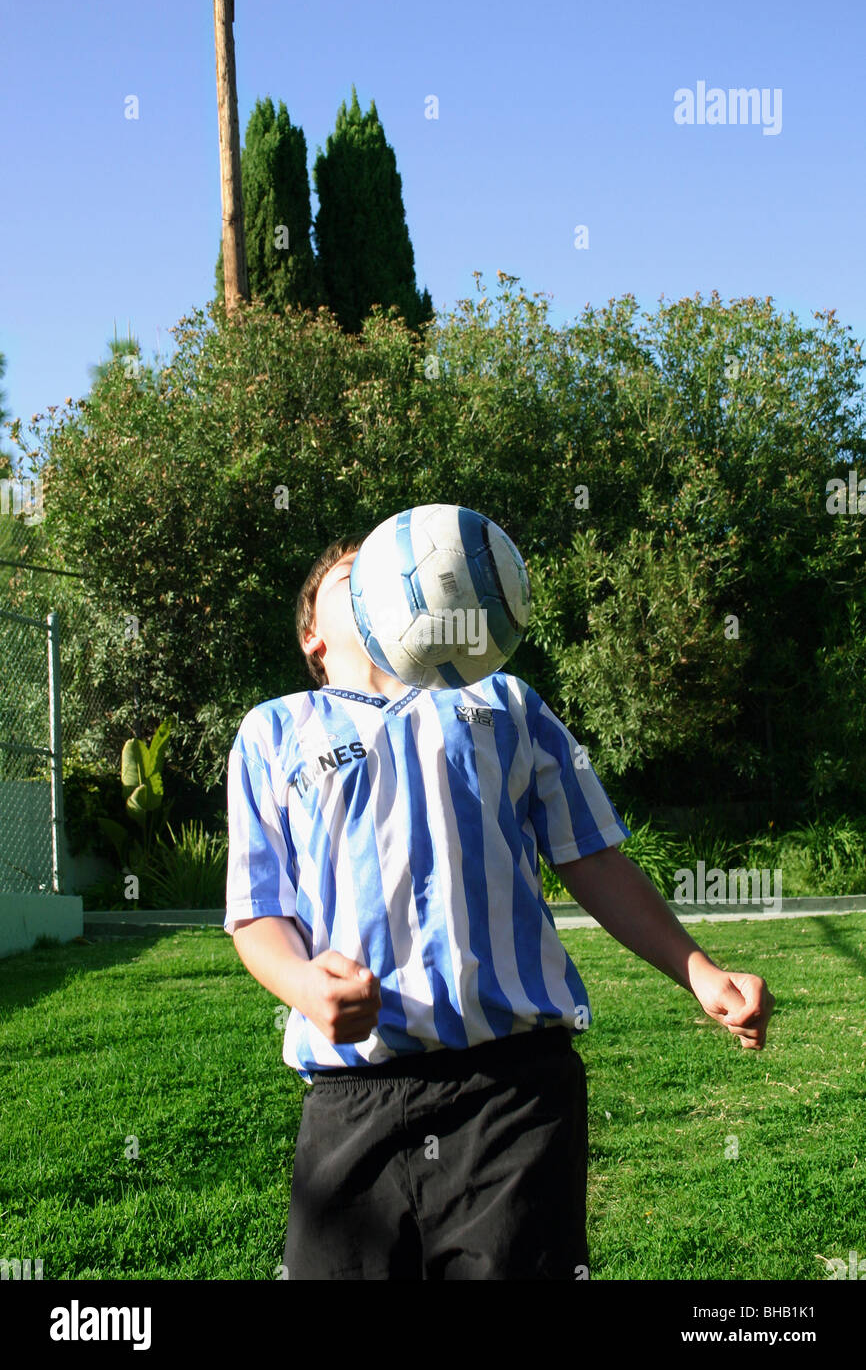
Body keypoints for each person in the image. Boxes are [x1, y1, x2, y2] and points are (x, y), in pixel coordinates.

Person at [224, 531, 775, 1281]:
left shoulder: (503, 702)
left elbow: (592, 856)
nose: (375, 583)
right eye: (351, 579)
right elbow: (258, 915)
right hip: (352, 1101)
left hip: (513, 1096)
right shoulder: (274, 731)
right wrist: (300, 986)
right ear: (312, 636)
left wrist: (701, 971)